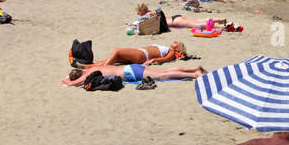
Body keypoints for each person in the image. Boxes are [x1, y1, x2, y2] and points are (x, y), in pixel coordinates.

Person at [63, 64, 206, 86]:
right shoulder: (93, 67)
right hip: (131, 67)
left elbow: (75, 82)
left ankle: (195, 75)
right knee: (164, 71)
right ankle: (193, 69)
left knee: (164, 75)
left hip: (130, 73)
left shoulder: (90, 74)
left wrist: (68, 82)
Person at [94, 42, 188, 67]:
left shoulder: (171, 51)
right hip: (140, 53)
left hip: (142, 55)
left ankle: (104, 68)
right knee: (115, 58)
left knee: (117, 51)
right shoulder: (169, 49)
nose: (174, 42)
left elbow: (166, 59)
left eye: (176, 43)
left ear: (178, 49)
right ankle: (89, 66)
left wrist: (153, 60)